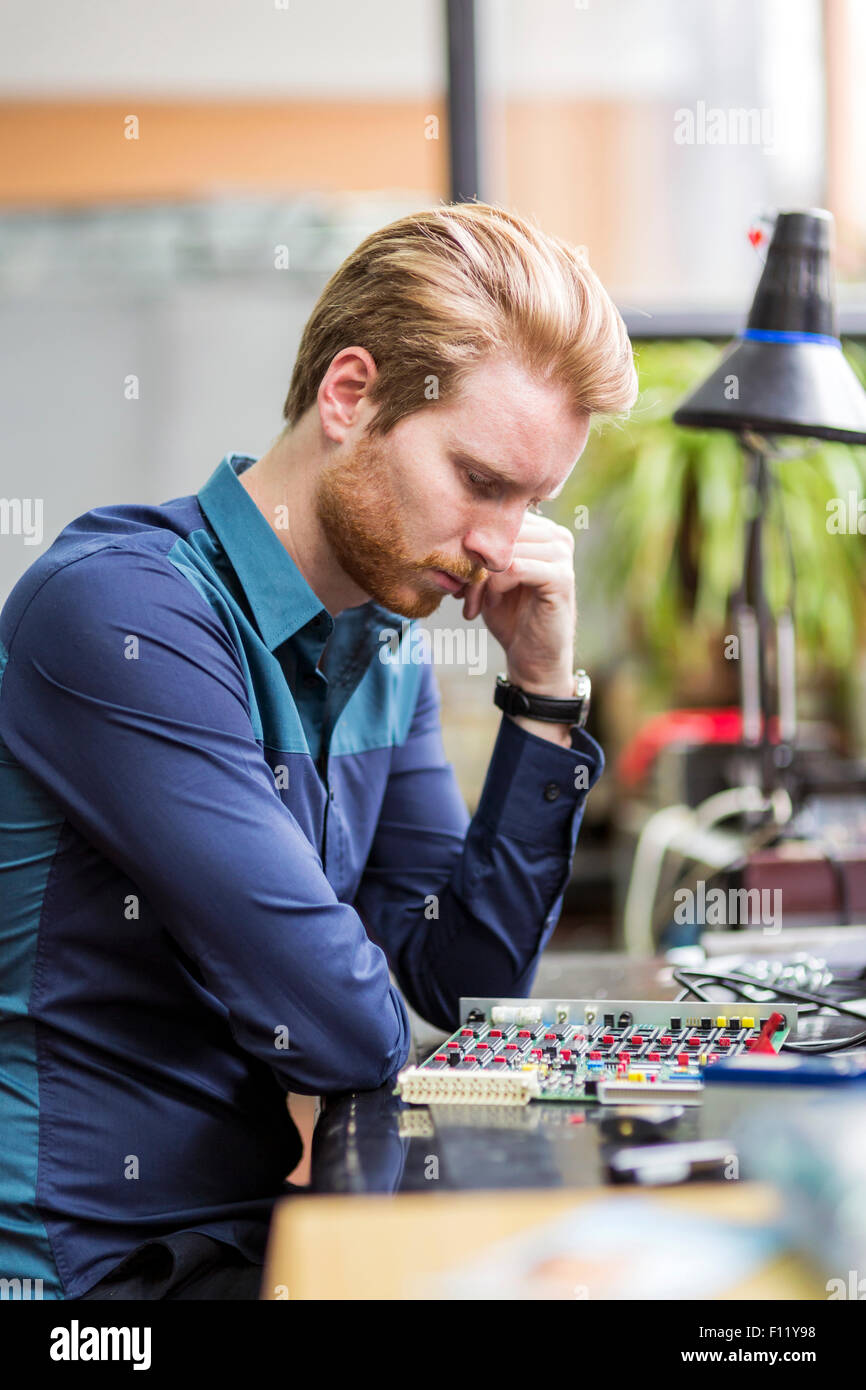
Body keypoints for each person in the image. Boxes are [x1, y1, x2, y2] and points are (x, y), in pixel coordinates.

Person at [0, 202, 637, 1299]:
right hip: (74, 1270)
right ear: (350, 396)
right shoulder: (122, 612)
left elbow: (460, 980)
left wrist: (541, 690)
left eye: (534, 503)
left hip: (243, 1234)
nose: (501, 546)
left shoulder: (380, 650)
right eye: (481, 481)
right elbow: (344, 1028)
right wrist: (359, 981)